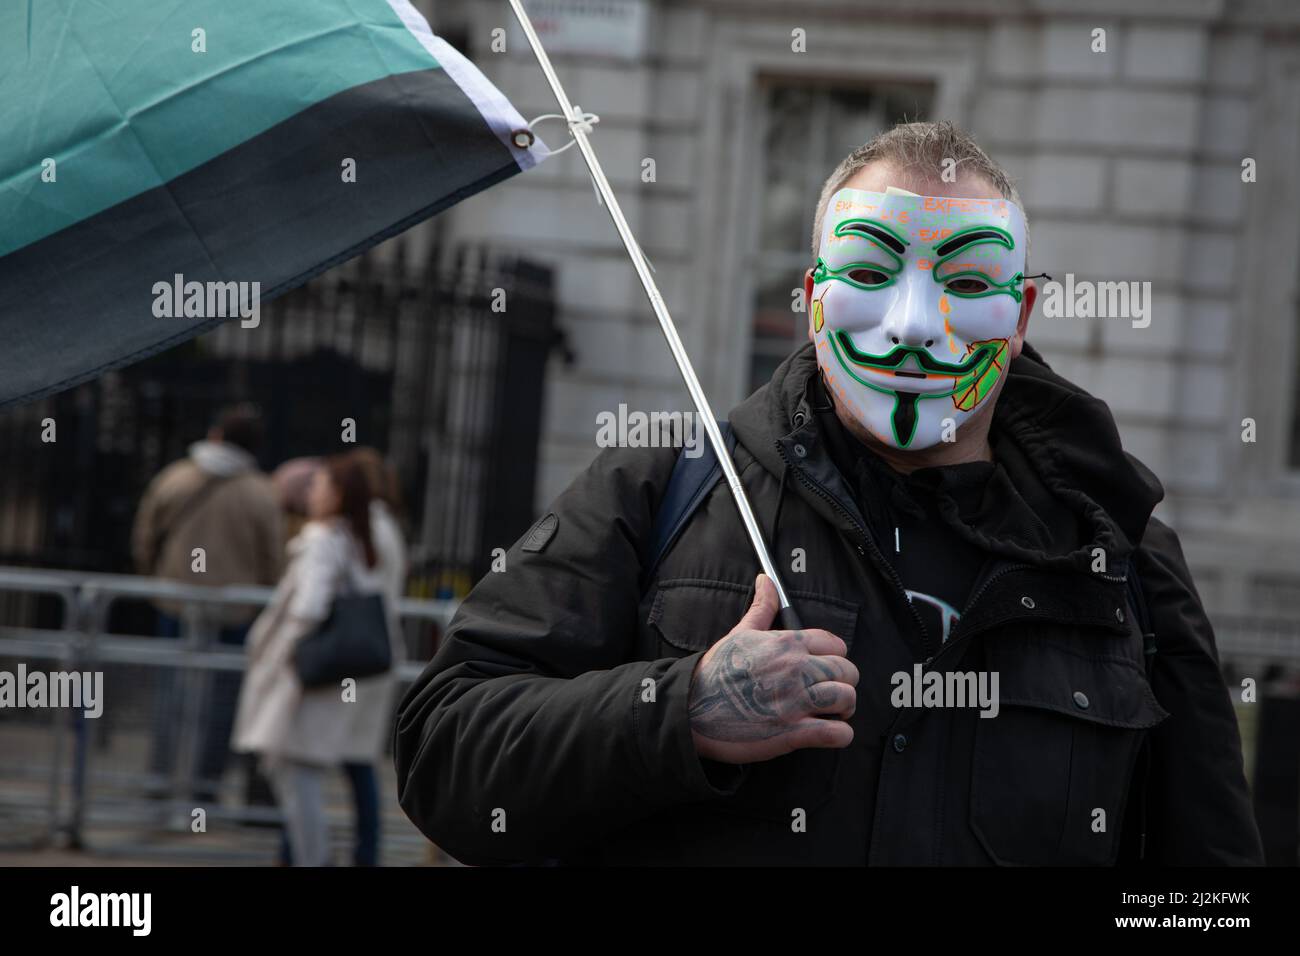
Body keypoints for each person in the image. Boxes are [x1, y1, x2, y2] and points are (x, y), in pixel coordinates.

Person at [393, 121, 1264, 866]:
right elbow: (443, 749)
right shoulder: (669, 488)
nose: (914, 325)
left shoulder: (1120, 557)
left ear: (1022, 314)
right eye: (871, 273)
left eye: (965, 283)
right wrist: (678, 711)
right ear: (812, 300)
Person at [232, 454, 400, 866]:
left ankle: (313, 859)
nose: (312, 493)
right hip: (330, 676)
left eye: (320, 485)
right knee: (298, 769)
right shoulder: (357, 537)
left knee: (293, 772)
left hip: (301, 676)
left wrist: (284, 651)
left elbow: (309, 607)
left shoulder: (324, 539)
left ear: (338, 494)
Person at [131, 404, 284, 802]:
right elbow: (274, 559)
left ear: (215, 434)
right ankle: (205, 785)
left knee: (169, 690)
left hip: (175, 602)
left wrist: (156, 579)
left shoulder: (175, 478)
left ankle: (160, 778)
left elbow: (144, 537)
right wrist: (260, 595)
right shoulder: (261, 493)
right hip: (235, 610)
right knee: (222, 699)